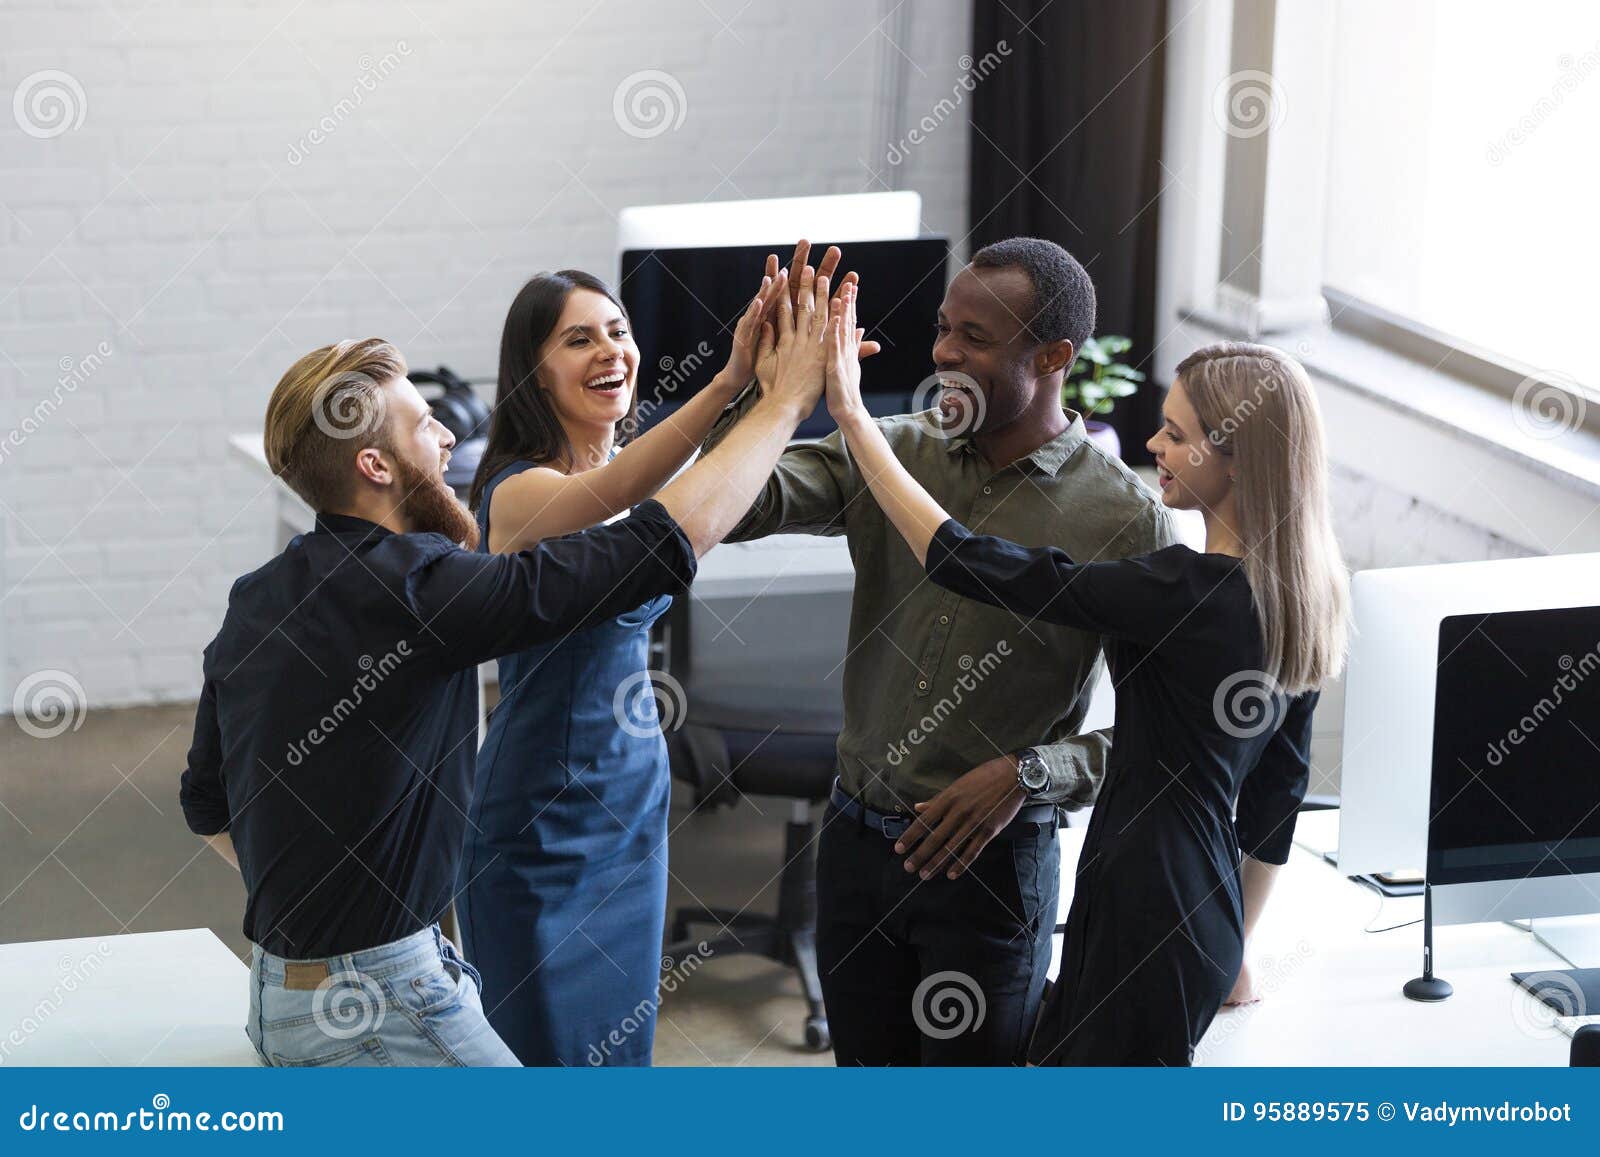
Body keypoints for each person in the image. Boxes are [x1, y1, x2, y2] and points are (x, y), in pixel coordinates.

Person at [177, 302, 831, 1066]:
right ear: (376, 466)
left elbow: (205, 804)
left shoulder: (260, 592)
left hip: (283, 991)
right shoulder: (421, 589)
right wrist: (783, 402)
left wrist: (318, 924)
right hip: (377, 997)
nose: (450, 435)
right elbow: (650, 547)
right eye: (426, 425)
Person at [819, 285, 1350, 1065]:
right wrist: (1234, 935)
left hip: (1139, 898)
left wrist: (856, 423)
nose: (1156, 449)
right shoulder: (1303, 597)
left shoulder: (1185, 590)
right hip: (1200, 904)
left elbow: (970, 563)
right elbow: (1277, 799)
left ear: (1236, 459)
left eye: (1175, 434)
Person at [699, 238, 1179, 1065]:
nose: (945, 352)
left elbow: (1164, 742)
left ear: (1055, 356)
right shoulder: (893, 449)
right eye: (943, 327)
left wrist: (1029, 772)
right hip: (854, 849)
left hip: (989, 872)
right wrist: (760, 387)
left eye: (977, 337)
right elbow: (735, 505)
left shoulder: (1125, 522)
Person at [454, 261, 844, 1065]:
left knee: (618, 1061)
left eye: (619, 331)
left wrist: (744, 376)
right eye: (578, 339)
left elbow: (658, 486)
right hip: (542, 819)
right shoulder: (518, 493)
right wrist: (762, 398)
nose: (611, 351)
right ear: (533, 371)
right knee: (549, 1065)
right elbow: (655, 513)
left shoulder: (617, 476)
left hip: (631, 799)